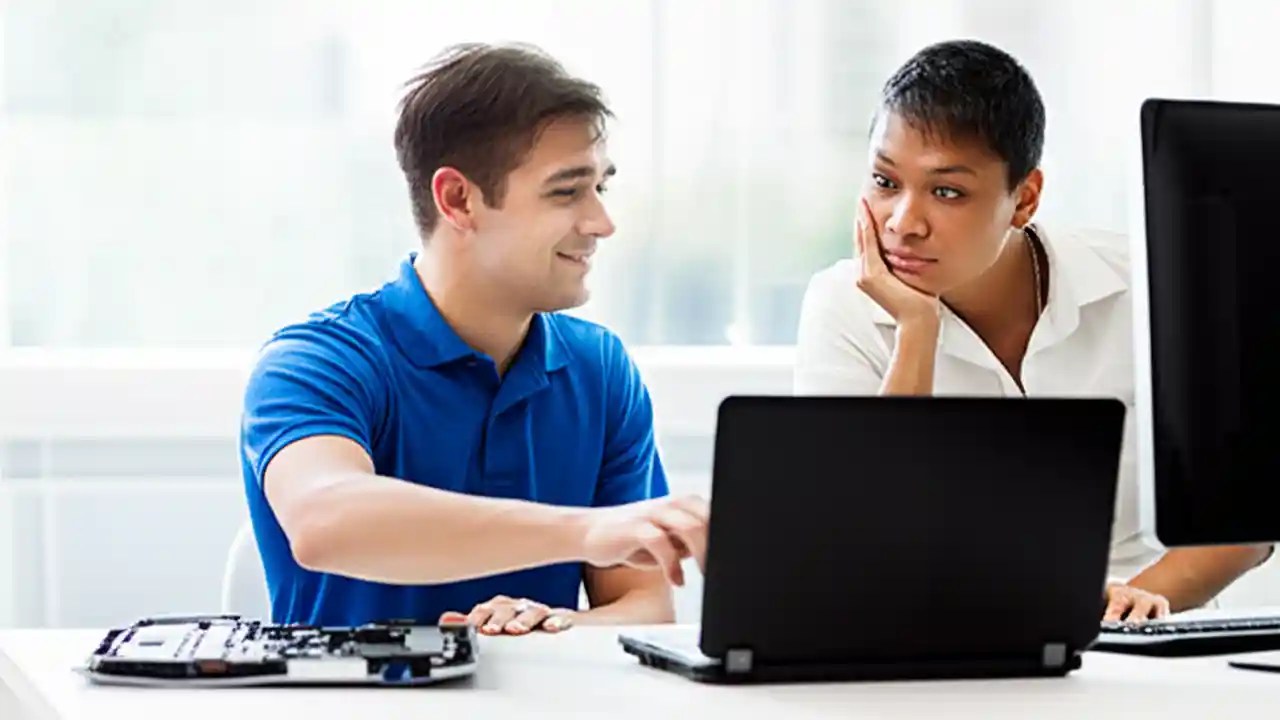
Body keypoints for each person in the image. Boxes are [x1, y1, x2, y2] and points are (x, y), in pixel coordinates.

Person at [794, 39, 1272, 622]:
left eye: (947, 192)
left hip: (1156, 638)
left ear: (1024, 199)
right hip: (952, 643)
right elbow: (859, 543)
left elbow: (1248, 521)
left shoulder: (1148, 282)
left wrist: (1137, 603)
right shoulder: (841, 307)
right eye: (885, 181)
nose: (903, 223)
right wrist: (916, 331)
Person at [239, 43, 708, 635]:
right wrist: (586, 530)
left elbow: (643, 607)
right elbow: (323, 521)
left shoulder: (601, 369)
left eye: (600, 188)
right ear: (458, 199)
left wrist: (553, 625)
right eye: (566, 191)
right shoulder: (316, 362)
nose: (600, 223)